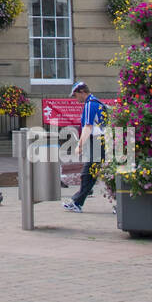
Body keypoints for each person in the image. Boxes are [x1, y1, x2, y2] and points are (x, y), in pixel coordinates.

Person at [63, 81, 105, 212]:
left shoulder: (90, 104)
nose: (75, 99)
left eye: (75, 95)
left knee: (88, 173)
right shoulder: (97, 102)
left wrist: (79, 145)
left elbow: (88, 127)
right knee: (92, 174)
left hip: (98, 141)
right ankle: (77, 202)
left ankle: (77, 202)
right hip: (103, 140)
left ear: (82, 92)